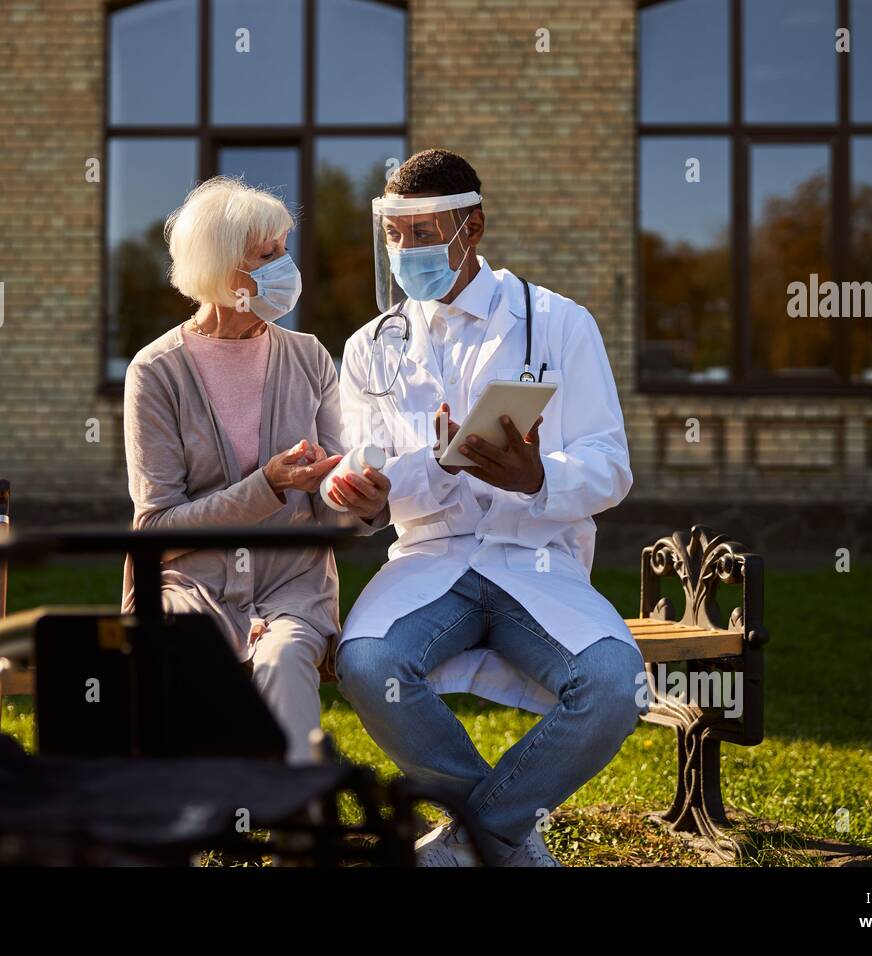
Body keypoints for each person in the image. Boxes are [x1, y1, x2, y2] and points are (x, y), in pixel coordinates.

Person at [335, 149, 647, 865]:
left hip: (536, 561)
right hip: (429, 560)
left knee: (613, 685)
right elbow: (368, 478)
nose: (408, 250)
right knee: (367, 662)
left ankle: (476, 835)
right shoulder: (368, 349)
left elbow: (610, 466)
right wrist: (373, 493)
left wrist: (537, 479)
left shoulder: (560, 325)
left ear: (471, 229)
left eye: (425, 232)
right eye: (395, 235)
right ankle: (501, 835)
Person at [122, 176, 390, 765]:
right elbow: (157, 532)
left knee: (287, 655)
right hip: (191, 586)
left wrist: (361, 497)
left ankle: (294, 827)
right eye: (266, 255)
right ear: (221, 269)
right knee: (183, 649)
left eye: (283, 250)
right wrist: (266, 486)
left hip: (292, 585)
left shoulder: (310, 357)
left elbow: (329, 500)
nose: (283, 267)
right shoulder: (156, 372)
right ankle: (187, 819)